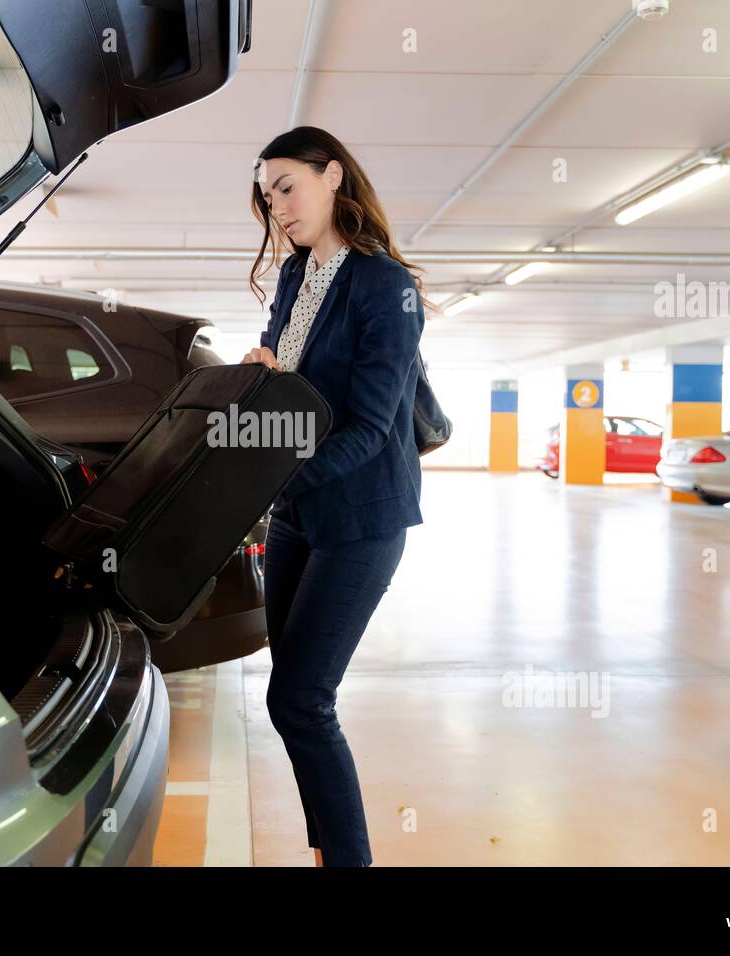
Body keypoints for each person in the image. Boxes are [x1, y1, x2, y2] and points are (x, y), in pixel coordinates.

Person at [241, 126, 428, 867]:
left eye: (287, 186)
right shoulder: (294, 276)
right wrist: (262, 373)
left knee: (301, 700)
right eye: (266, 196)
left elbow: (371, 429)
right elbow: (291, 391)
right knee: (293, 702)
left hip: (361, 518)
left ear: (333, 176)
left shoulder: (386, 286)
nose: (276, 206)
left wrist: (272, 482)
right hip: (296, 515)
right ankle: (331, 855)